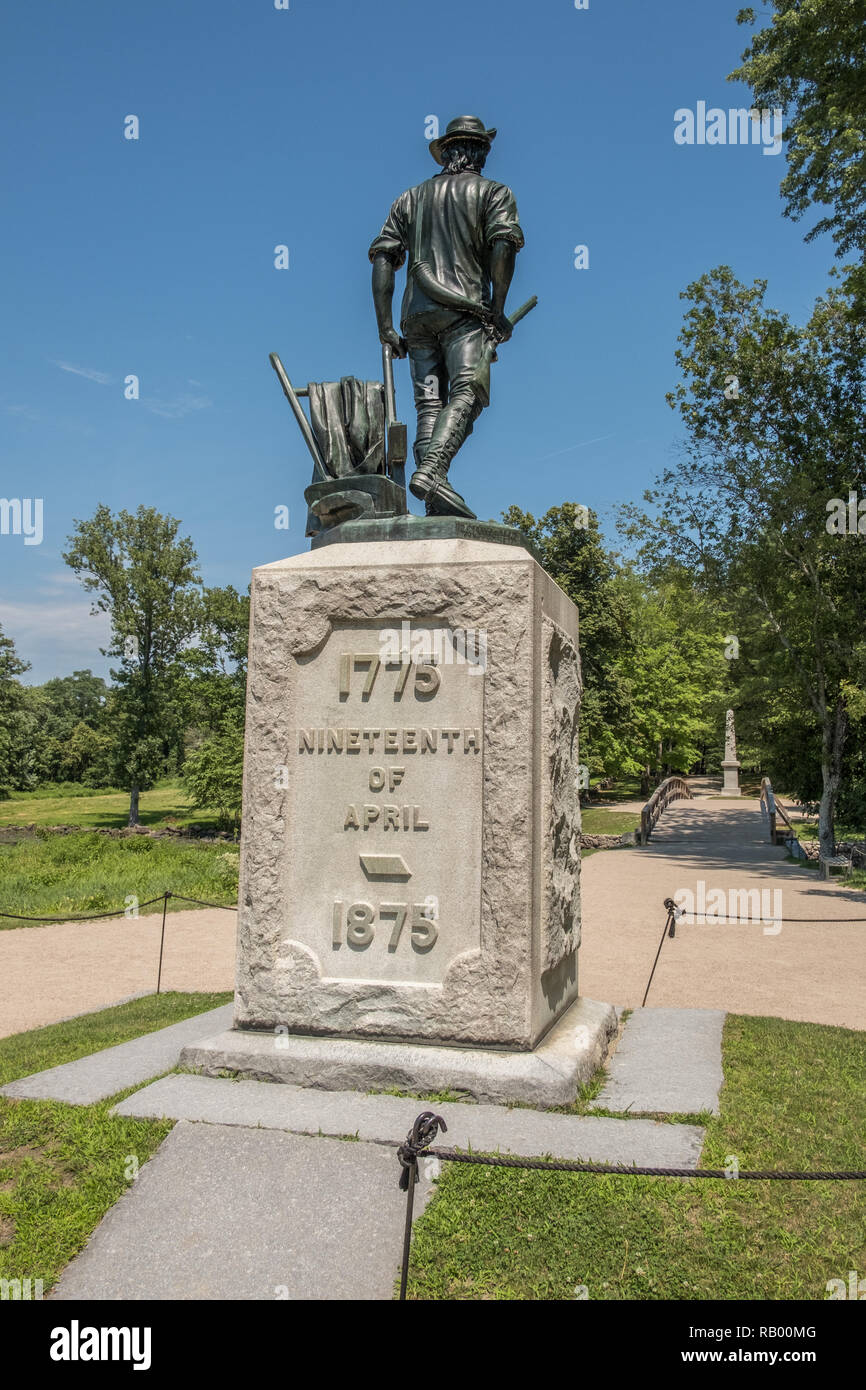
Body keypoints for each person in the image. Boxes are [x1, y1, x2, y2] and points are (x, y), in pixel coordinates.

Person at [369, 116, 525, 519]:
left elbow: (383, 258)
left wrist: (385, 325)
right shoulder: (494, 193)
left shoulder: (409, 198)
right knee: (468, 393)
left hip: (416, 318)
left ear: (448, 153)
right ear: (479, 153)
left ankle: (435, 492)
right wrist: (498, 310)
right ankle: (434, 470)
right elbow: (503, 248)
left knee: (429, 405)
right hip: (464, 313)